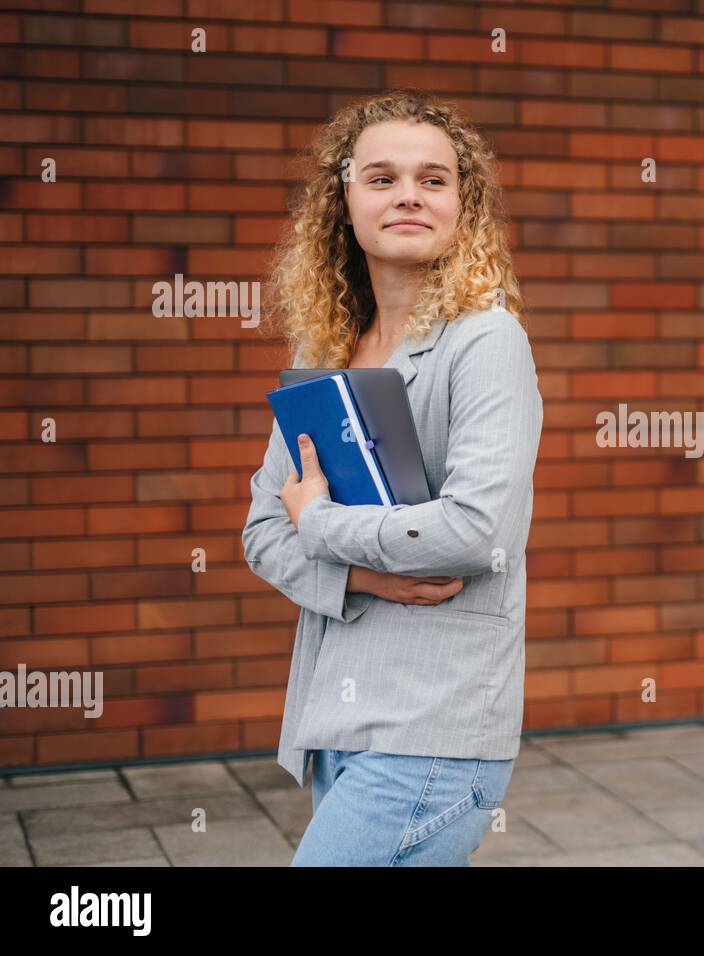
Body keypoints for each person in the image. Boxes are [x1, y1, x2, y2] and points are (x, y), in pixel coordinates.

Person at [241, 90, 543, 866]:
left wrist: (324, 526)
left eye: (433, 179)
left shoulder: (486, 342)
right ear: (343, 204)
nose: (408, 193)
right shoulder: (326, 354)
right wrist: (368, 578)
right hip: (335, 718)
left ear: (461, 206)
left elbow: (476, 530)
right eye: (381, 177)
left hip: (436, 726)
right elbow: (261, 532)